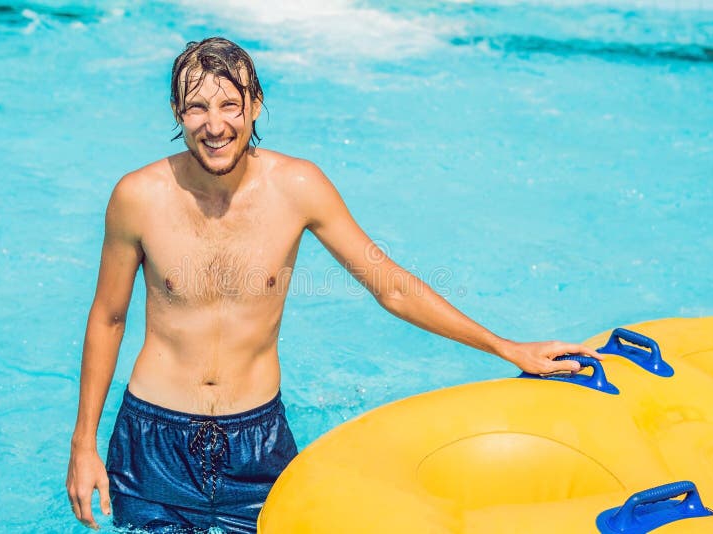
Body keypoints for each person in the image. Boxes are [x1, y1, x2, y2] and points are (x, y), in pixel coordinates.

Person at [66, 37, 601, 533]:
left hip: (259, 443)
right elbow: (108, 317)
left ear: (255, 106)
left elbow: (389, 285)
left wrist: (506, 348)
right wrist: (83, 444)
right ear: (177, 113)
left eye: (230, 105)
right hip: (154, 443)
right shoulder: (138, 196)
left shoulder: (298, 187)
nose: (215, 124)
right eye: (197, 107)